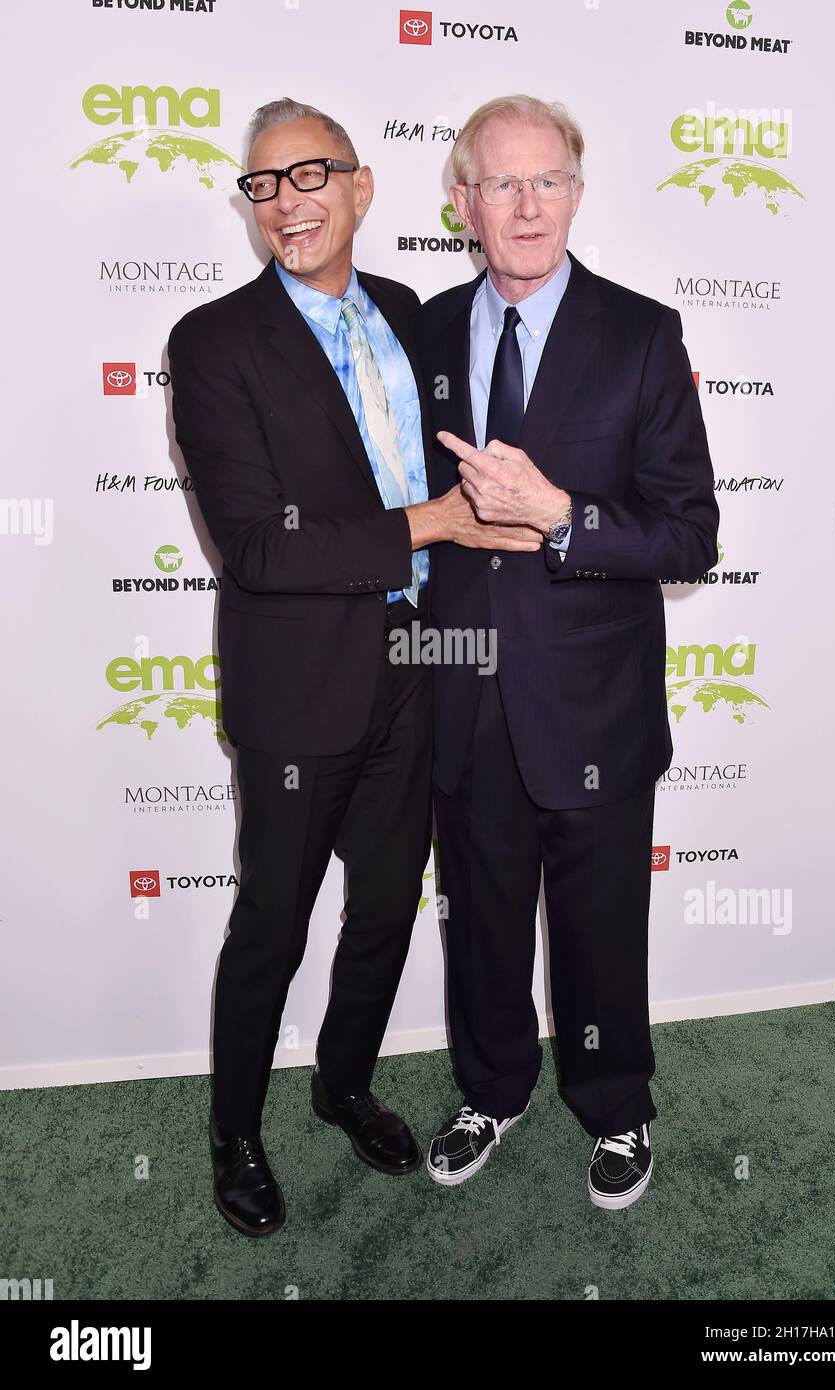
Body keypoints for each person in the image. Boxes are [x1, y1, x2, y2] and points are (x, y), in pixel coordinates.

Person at [168, 98, 541, 1237]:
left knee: (383, 908)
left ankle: (342, 1083)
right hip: (297, 687)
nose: (287, 201)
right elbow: (259, 546)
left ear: (363, 188)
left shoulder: (408, 313)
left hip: (416, 665)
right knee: (272, 923)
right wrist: (431, 525)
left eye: (309, 175)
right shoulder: (213, 341)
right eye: (263, 185)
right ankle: (235, 1129)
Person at [418, 95, 719, 1208]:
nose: (527, 204)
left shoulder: (640, 333)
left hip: (592, 703)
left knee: (598, 932)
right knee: (481, 922)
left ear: (577, 196)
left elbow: (691, 536)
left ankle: (615, 1105)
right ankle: (489, 1087)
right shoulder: (426, 330)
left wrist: (561, 515)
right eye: (501, 182)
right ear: (463, 203)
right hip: (462, 697)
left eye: (547, 181)